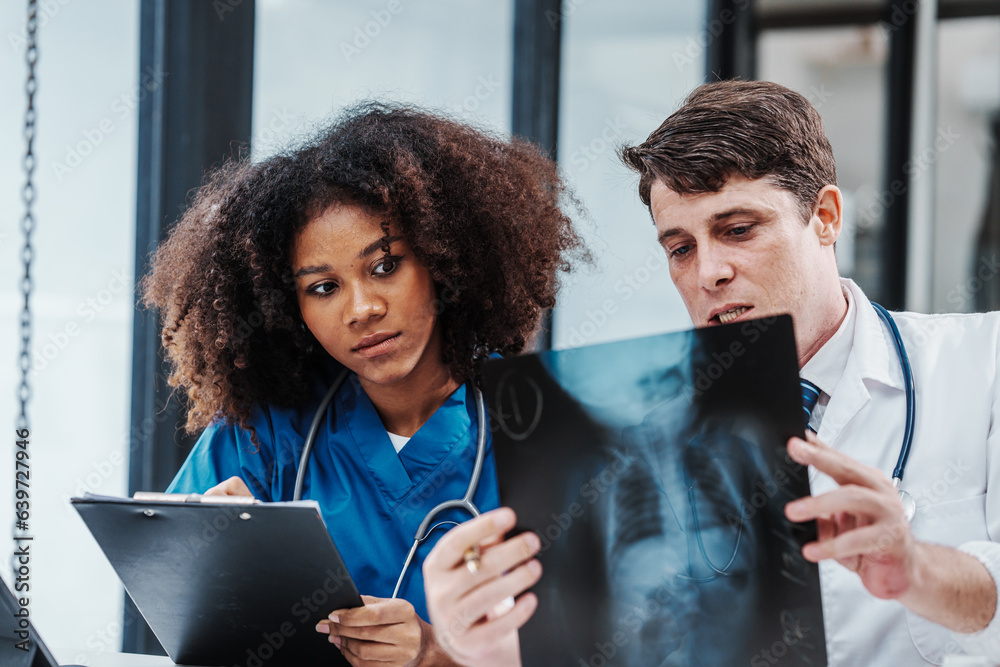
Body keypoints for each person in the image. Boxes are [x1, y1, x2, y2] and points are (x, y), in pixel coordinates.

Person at [423, 79, 1000, 666]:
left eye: (738, 230)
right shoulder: (646, 432)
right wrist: (479, 649)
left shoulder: (983, 363)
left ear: (825, 218)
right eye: (680, 248)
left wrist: (915, 569)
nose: (709, 273)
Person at [141, 102, 583, 667]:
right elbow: (180, 614)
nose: (363, 309)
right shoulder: (264, 434)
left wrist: (436, 653)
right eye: (323, 288)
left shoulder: (543, 429)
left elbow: (600, 644)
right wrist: (208, 564)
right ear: (288, 307)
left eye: (385, 266)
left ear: (443, 260)